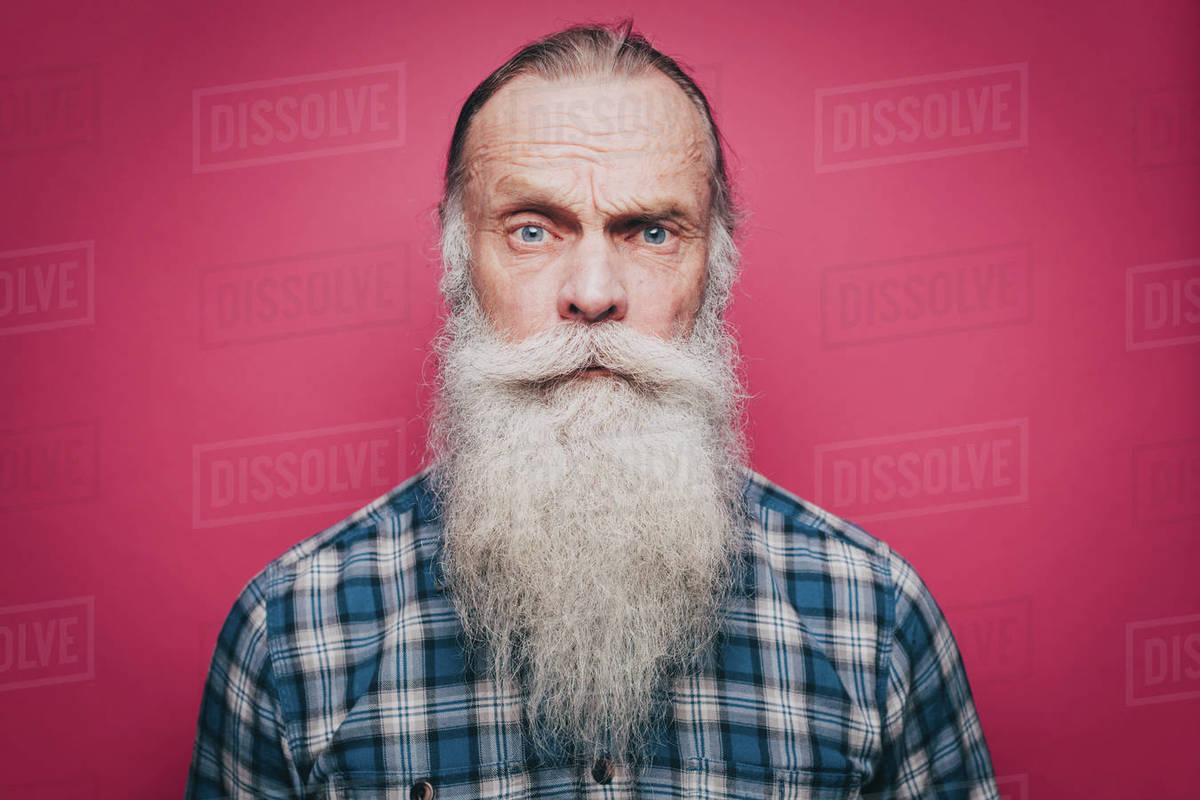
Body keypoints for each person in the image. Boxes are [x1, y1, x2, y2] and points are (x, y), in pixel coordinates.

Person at [186, 20, 1001, 800]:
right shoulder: (291, 632)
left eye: (651, 232)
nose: (594, 295)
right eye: (533, 230)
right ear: (457, 262)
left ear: (715, 268)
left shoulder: (874, 618)